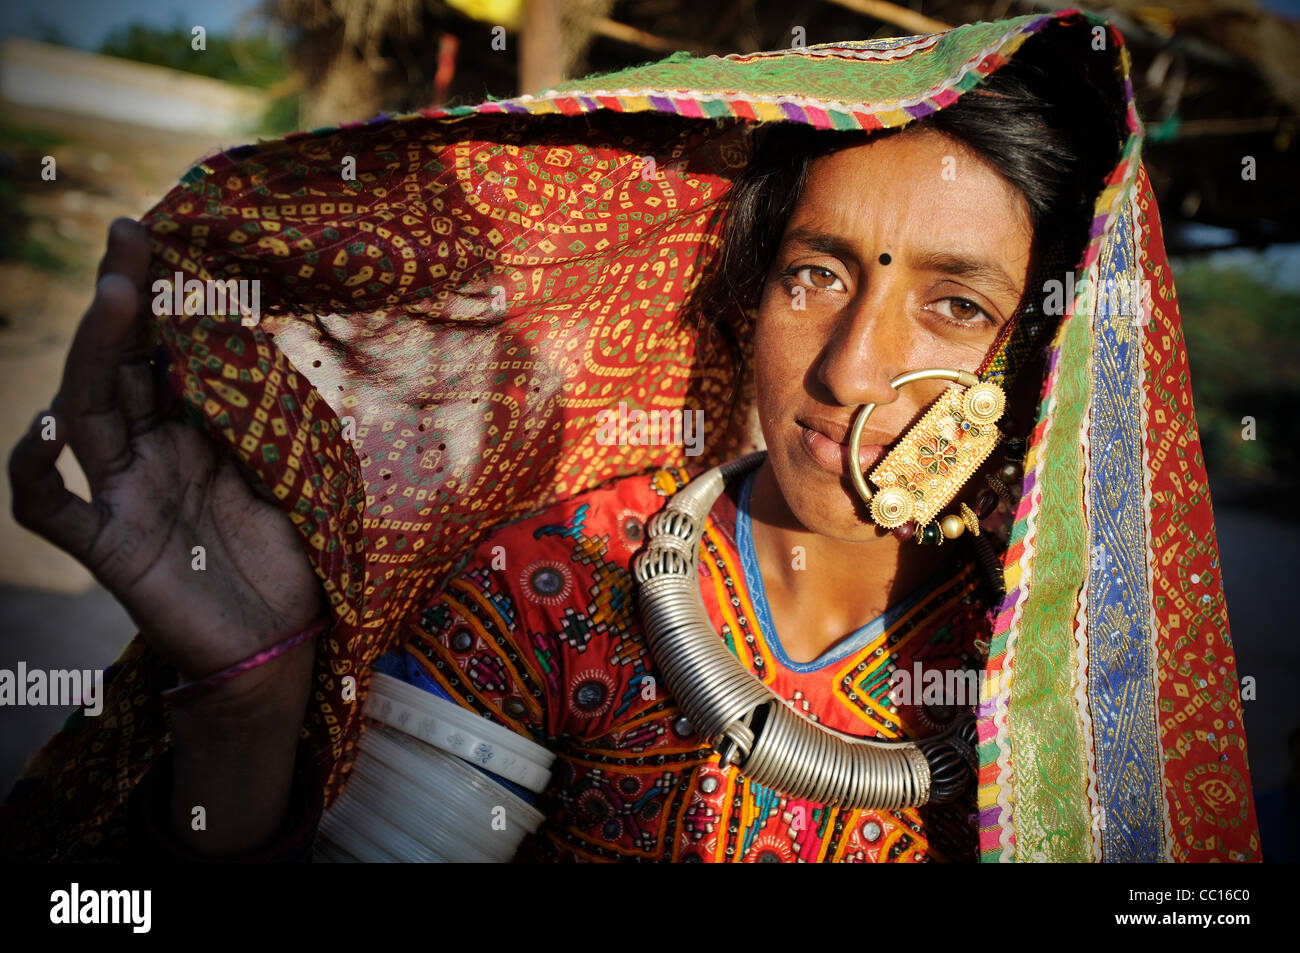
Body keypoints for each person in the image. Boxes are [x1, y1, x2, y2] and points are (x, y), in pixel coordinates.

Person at [3, 9, 1259, 862]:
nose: (849, 367)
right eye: (816, 275)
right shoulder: (558, 583)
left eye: (955, 304)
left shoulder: (1075, 668)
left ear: (1036, 358)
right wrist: (250, 701)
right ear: (745, 295)